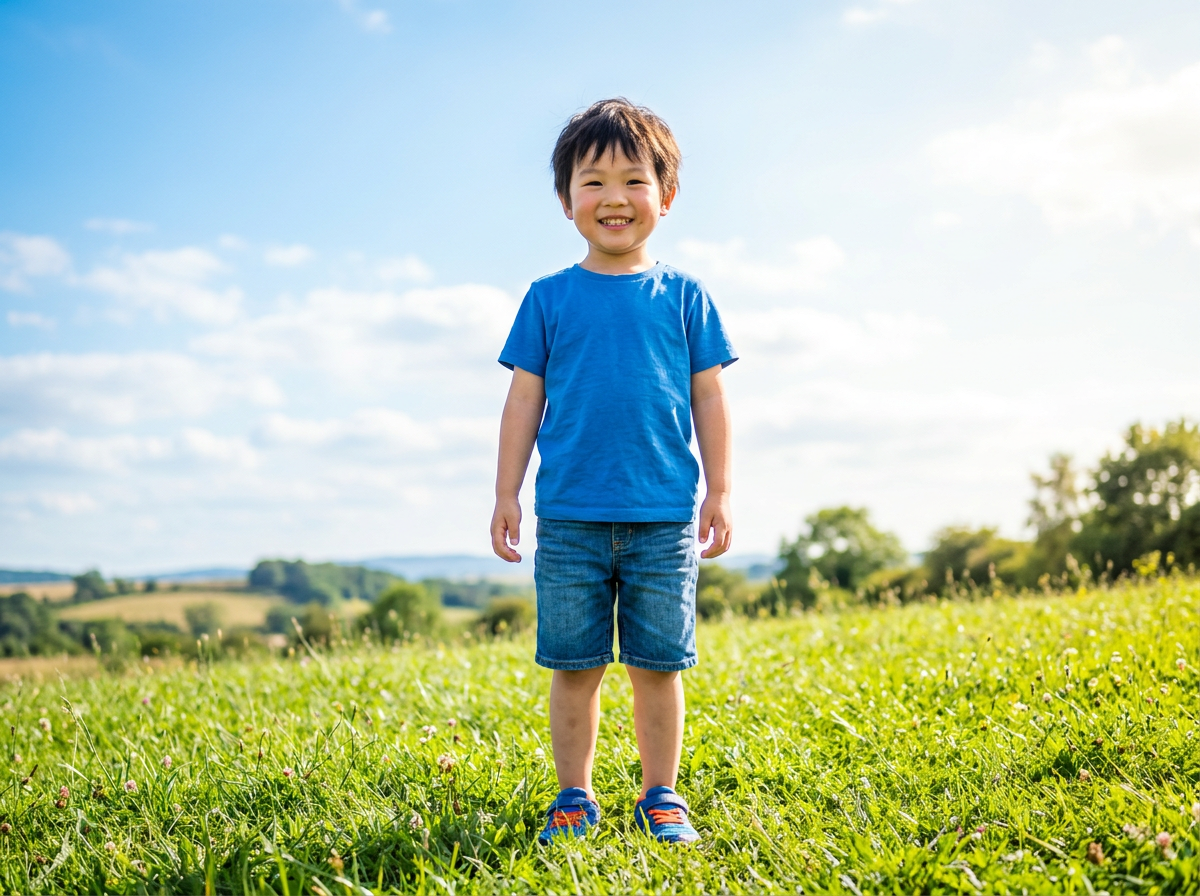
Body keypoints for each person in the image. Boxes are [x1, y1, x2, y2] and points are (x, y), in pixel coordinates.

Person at [490, 98, 736, 845]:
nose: (614, 198)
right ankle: (574, 797)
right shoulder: (547, 298)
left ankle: (660, 795)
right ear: (566, 201)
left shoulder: (685, 296)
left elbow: (709, 398)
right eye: (592, 182)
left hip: (662, 516)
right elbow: (522, 401)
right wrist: (506, 492)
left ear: (666, 196)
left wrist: (719, 489)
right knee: (575, 665)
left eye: (634, 179)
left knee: (659, 666)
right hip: (569, 518)